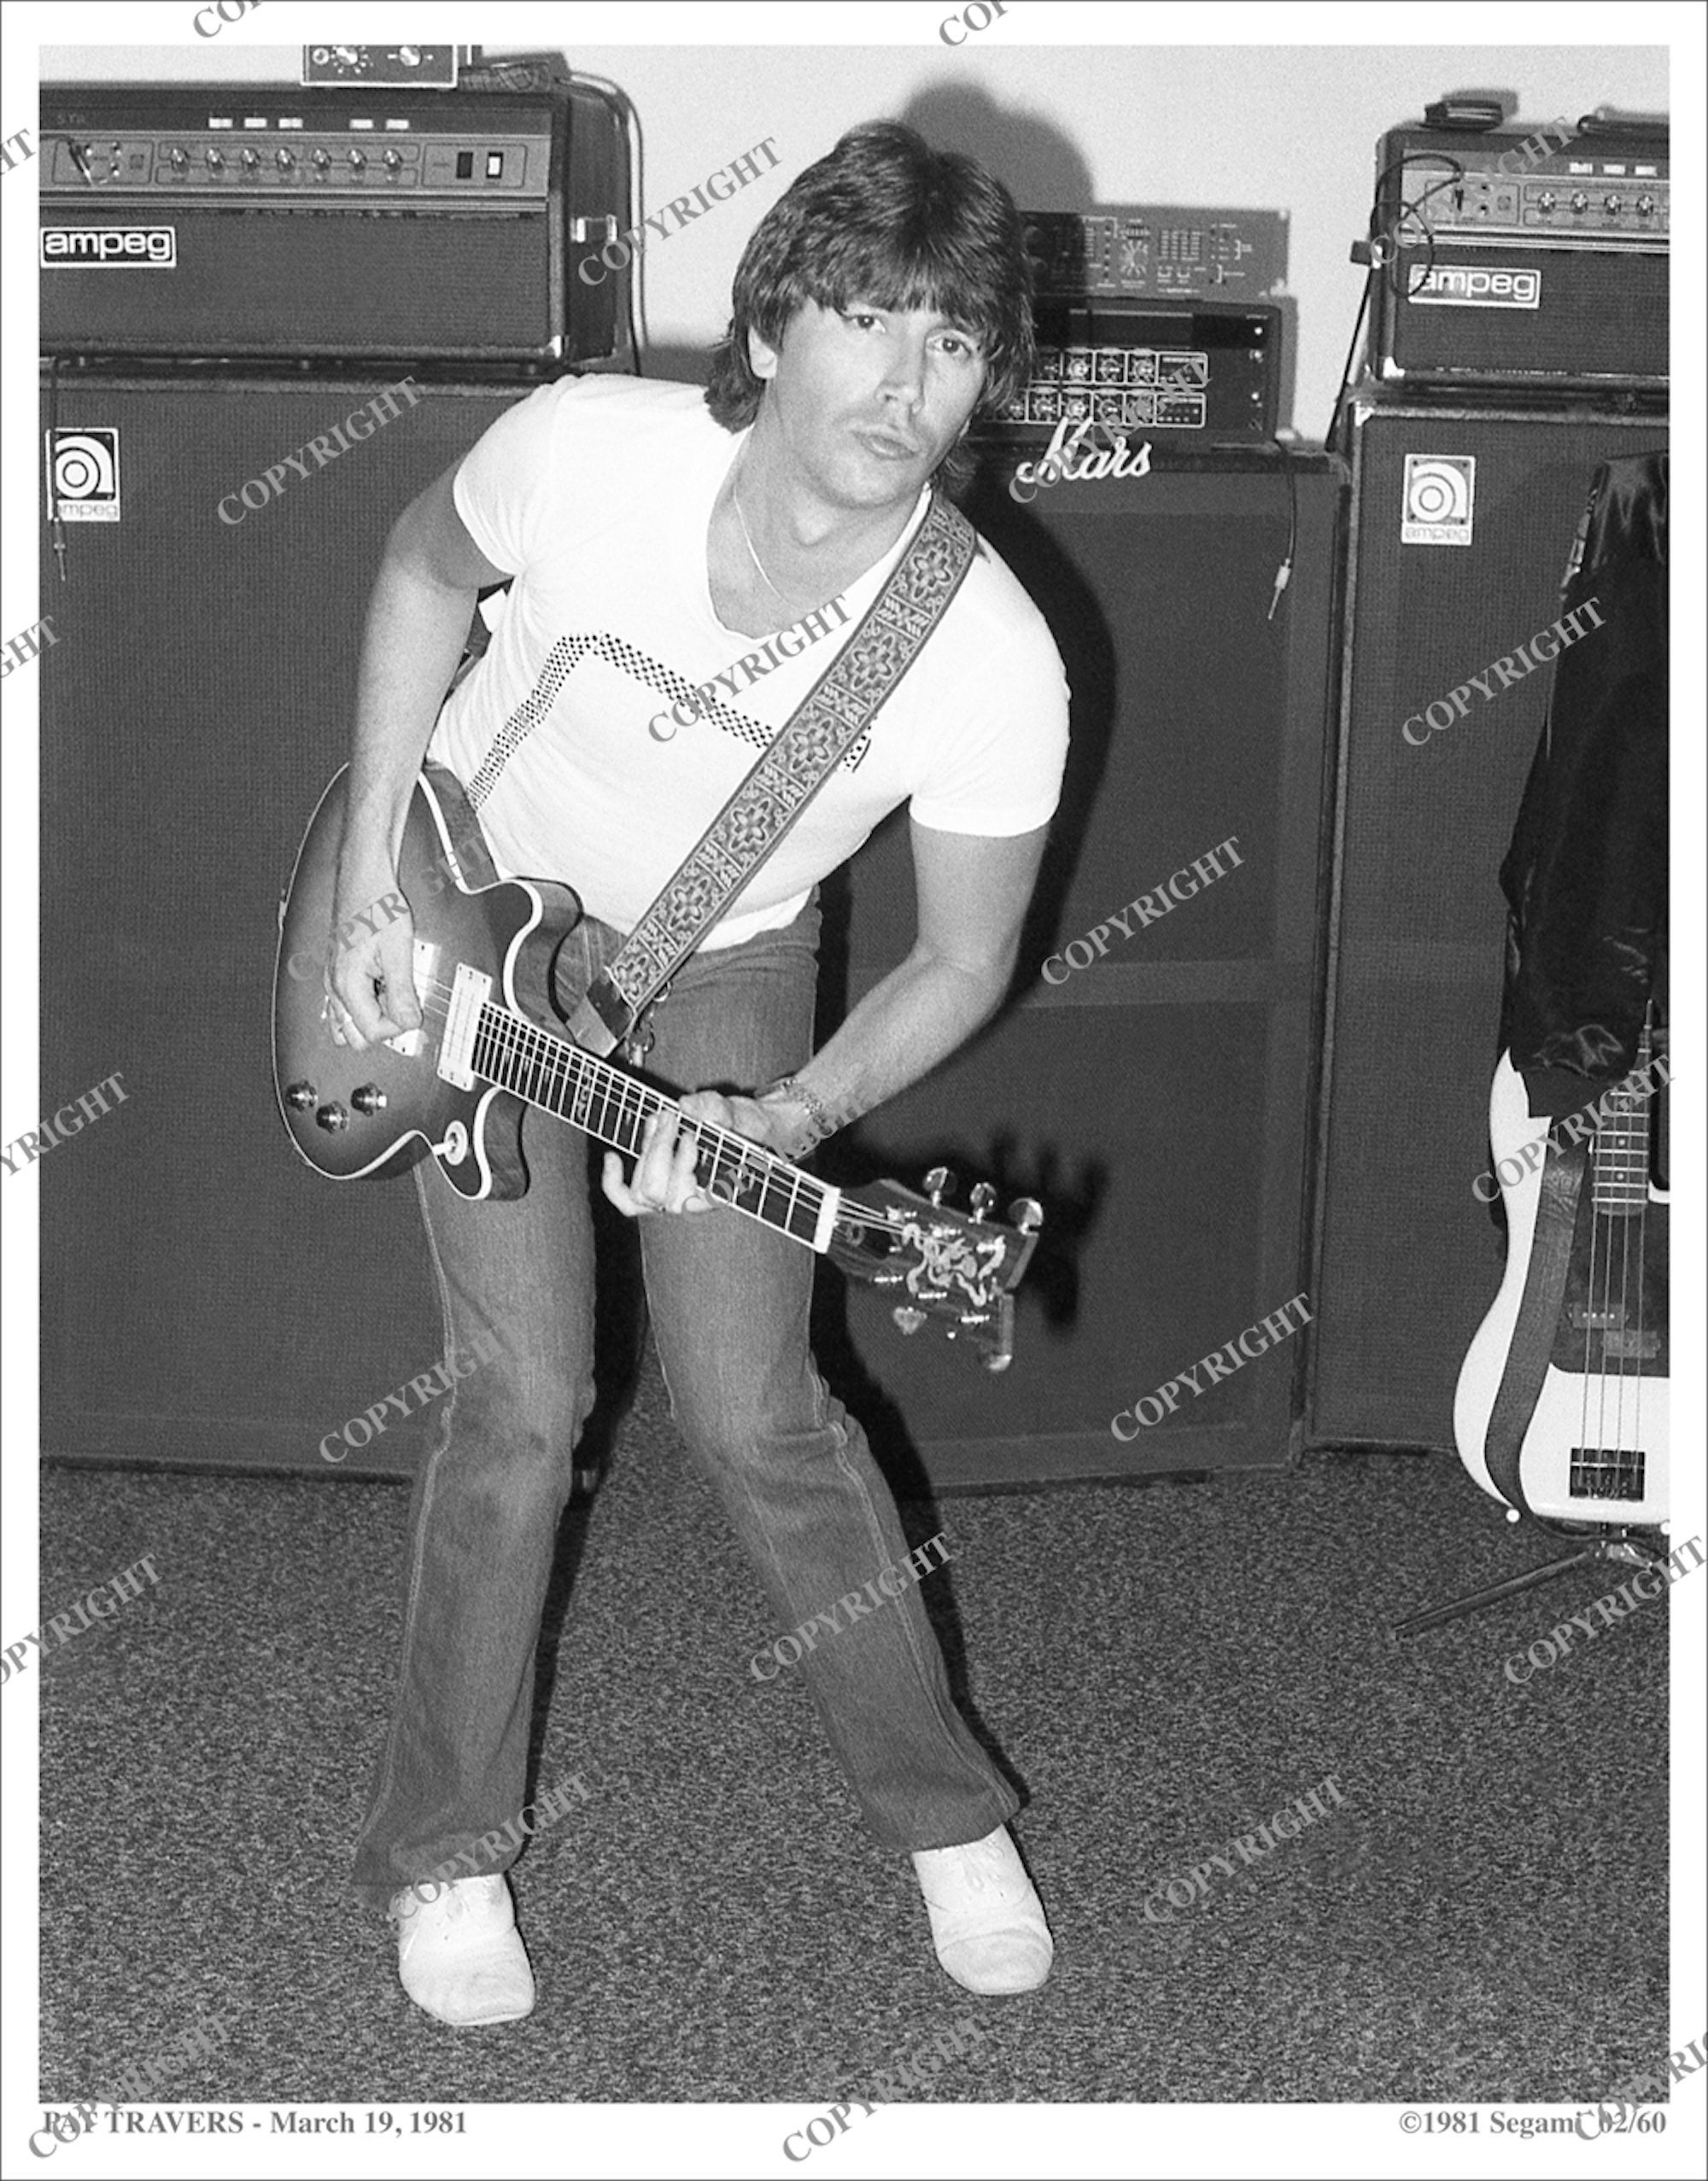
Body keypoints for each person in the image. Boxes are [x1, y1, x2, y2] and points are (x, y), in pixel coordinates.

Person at [325, 120, 1070, 2028]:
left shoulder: (982, 649)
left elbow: (964, 952)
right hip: (462, 896)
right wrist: (363, 882)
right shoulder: (590, 451)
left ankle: (944, 1812)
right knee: (524, 1393)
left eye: (957, 344)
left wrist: (792, 1114)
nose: (905, 383)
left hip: (731, 955)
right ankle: (444, 1852)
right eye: (867, 317)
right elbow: (419, 576)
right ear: (772, 318)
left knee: (756, 1407)